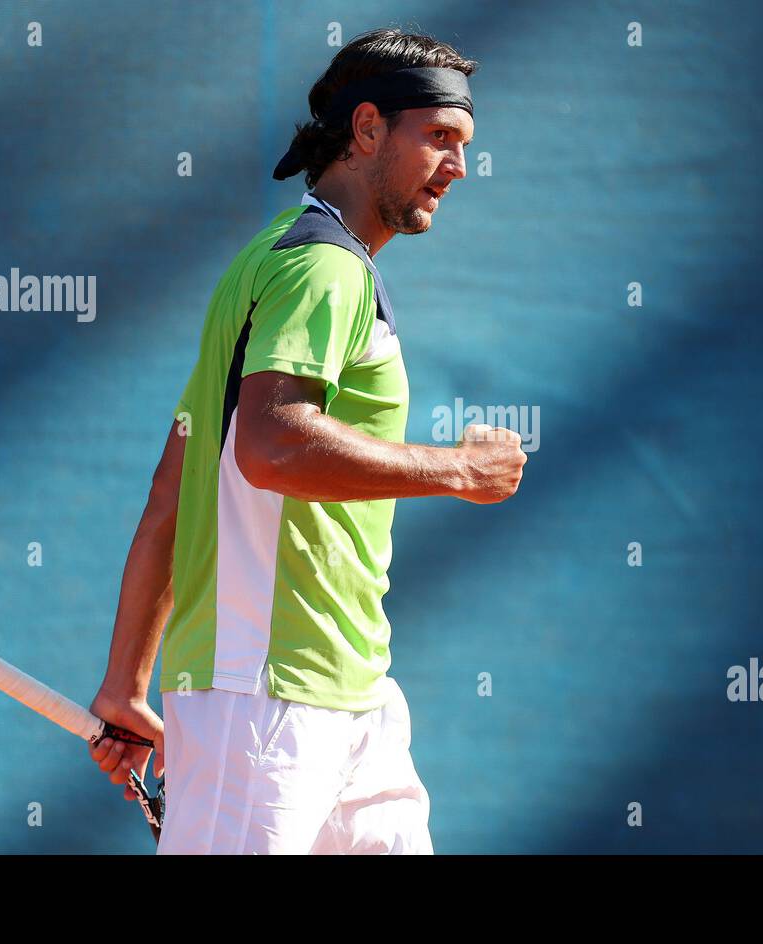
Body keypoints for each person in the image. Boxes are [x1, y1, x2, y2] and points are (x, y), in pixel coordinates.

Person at [84, 27, 525, 854]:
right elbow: (271, 448)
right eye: (439, 138)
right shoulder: (323, 269)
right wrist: (459, 468)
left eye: (462, 144)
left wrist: (125, 686)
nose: (458, 166)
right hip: (266, 700)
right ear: (366, 130)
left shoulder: (270, 265)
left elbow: (172, 497)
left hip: (350, 698)